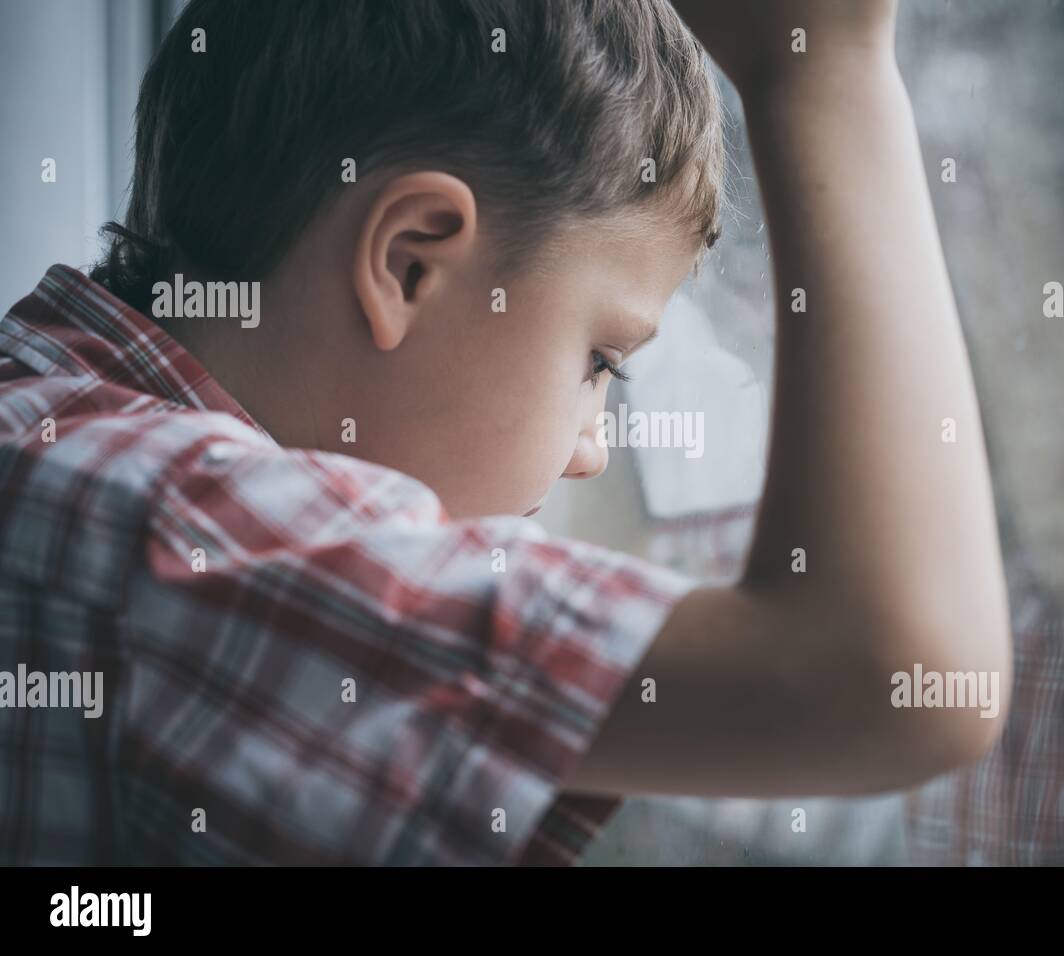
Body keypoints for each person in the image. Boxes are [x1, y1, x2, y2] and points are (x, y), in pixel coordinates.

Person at [0, 0, 1009, 865]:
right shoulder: (186, 528)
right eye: (599, 362)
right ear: (408, 262)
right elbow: (891, 675)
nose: (591, 446)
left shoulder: (54, 435)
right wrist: (823, 68)